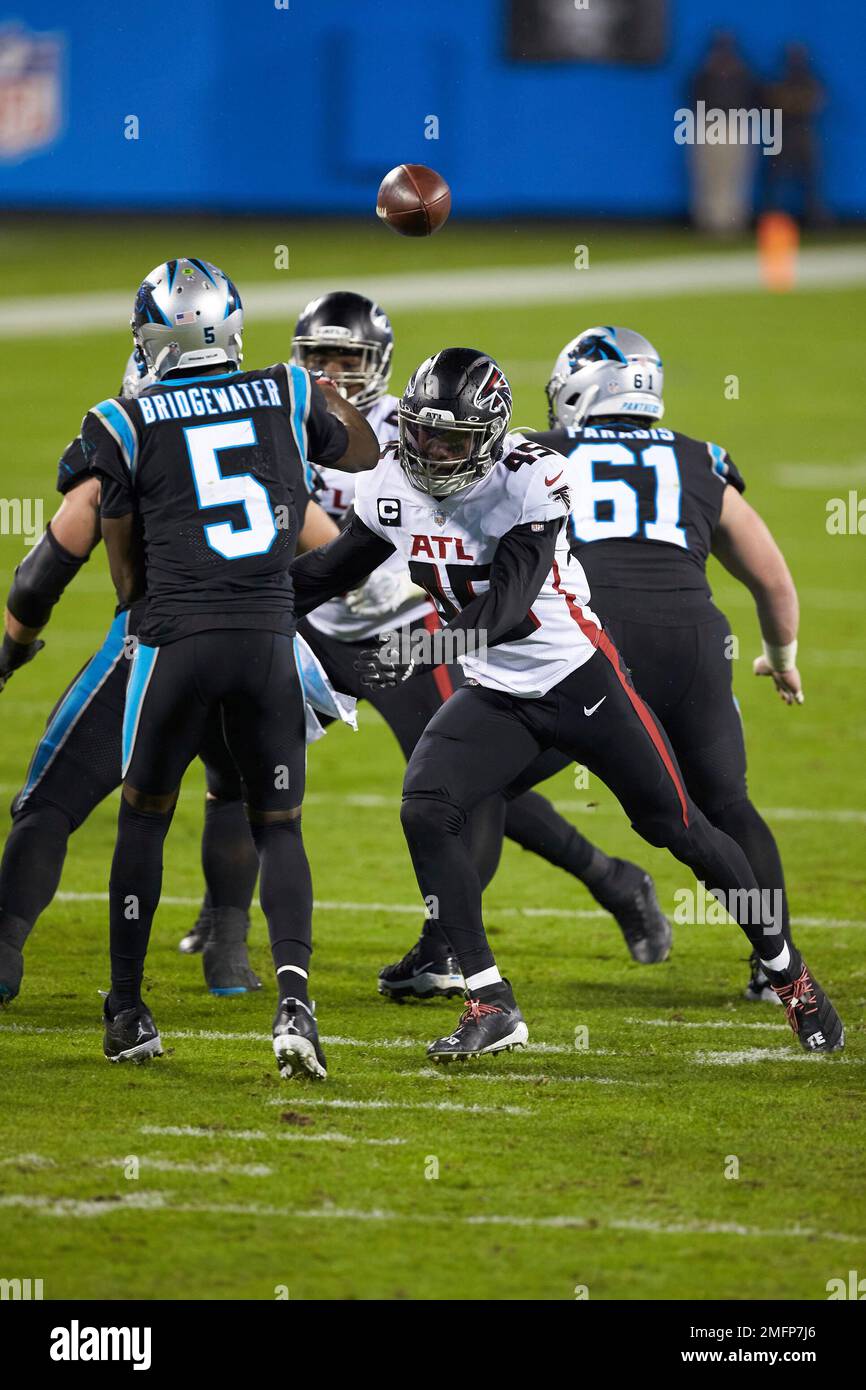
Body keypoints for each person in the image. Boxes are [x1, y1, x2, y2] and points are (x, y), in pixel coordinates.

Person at [289, 347, 845, 1060]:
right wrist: (247, 603)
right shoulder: (394, 476)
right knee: (427, 807)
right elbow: (334, 567)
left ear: (489, 437)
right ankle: (490, 1002)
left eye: (452, 438)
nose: (432, 450)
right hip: (497, 692)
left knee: (678, 827)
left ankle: (790, 976)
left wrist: (411, 652)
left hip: (579, 679)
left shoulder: (532, 476)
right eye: (423, 432)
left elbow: (508, 609)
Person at [80, 257, 378, 1073]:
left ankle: (130, 1009)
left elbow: (121, 549)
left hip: (177, 640)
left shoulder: (123, 418)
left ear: (150, 334)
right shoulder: (284, 388)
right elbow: (362, 449)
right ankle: (293, 1005)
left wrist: (143, 600)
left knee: (144, 815)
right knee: (278, 825)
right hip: (267, 637)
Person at [0, 350, 343, 1006]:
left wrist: (11, 652)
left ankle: (11, 948)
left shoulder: (132, 427)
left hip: (155, 649)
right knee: (241, 798)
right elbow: (330, 550)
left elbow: (42, 572)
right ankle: (229, 955)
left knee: (53, 802)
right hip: (256, 647)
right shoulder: (269, 425)